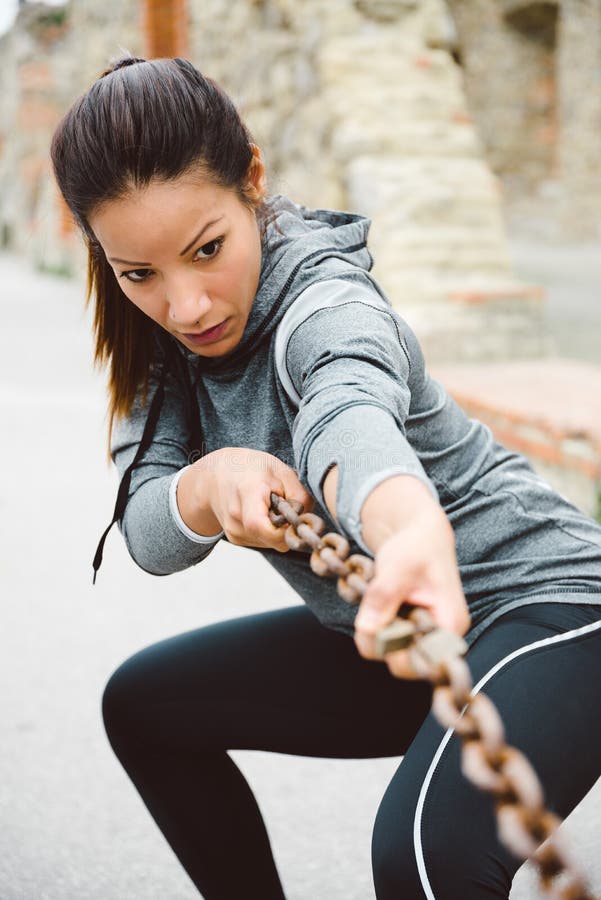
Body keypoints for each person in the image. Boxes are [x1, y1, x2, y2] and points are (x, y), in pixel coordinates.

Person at [50, 55, 601, 900]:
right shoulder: (157, 350)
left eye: (208, 250)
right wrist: (207, 486)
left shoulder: (324, 300)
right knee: (145, 707)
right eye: (140, 274)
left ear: (253, 185)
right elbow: (151, 539)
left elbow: (346, 407)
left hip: (550, 609)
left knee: (425, 856)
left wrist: (407, 528)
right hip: (397, 636)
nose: (188, 305)